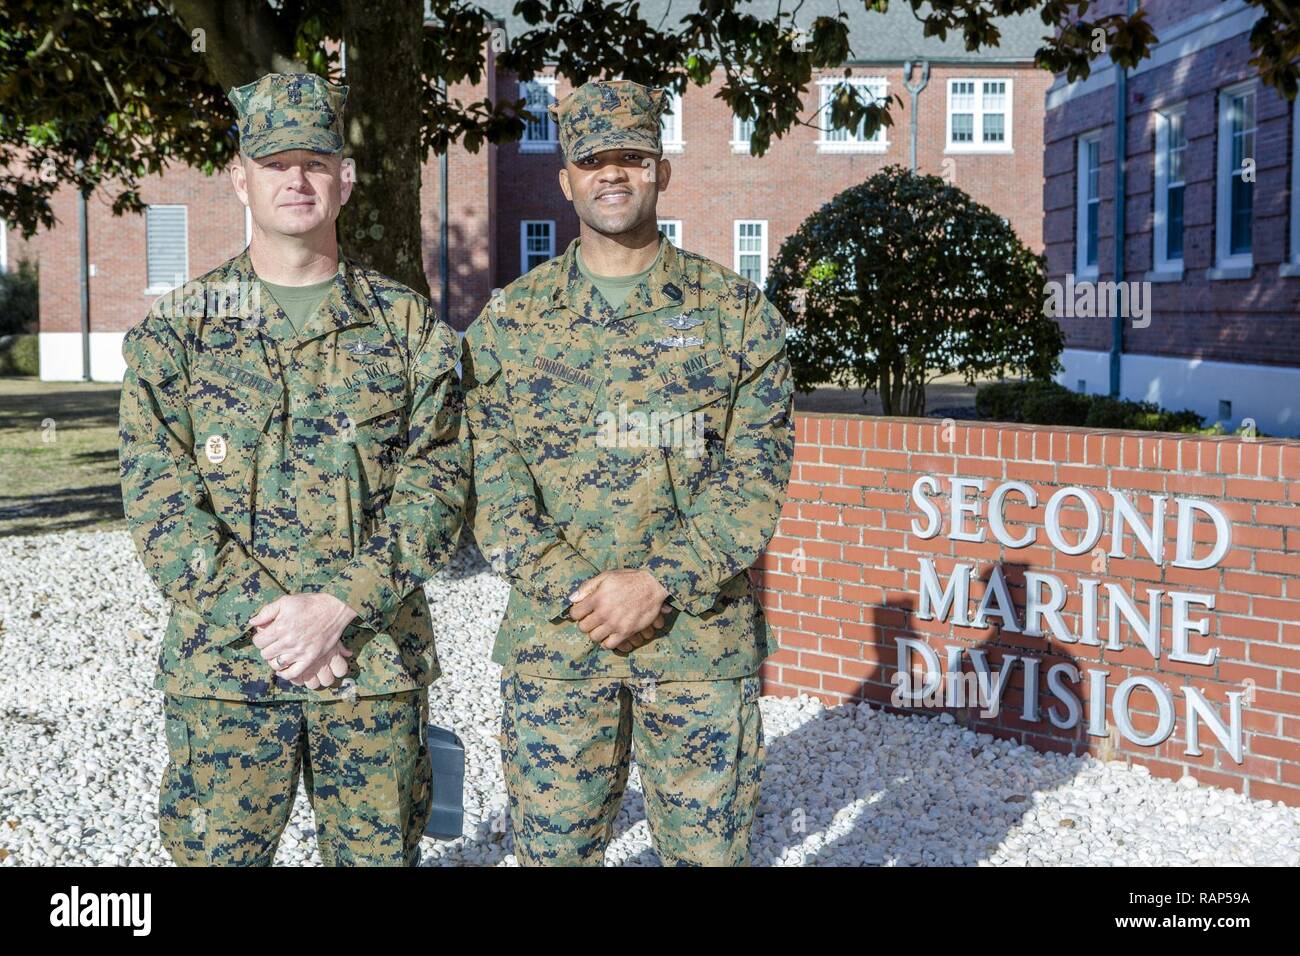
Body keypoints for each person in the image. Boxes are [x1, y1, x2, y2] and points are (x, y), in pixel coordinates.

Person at [118, 72, 469, 866]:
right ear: (241, 178)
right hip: (228, 670)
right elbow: (160, 504)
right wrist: (280, 626)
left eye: (315, 161)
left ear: (345, 179)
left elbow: (439, 484)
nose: (297, 180)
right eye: (275, 163)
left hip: (372, 662)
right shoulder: (179, 332)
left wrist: (341, 604)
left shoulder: (409, 326)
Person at [461, 79, 794, 866]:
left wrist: (657, 581)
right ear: (566, 179)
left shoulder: (736, 314)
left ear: (661, 171)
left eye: (632, 158)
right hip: (558, 648)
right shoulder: (511, 322)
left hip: (698, 646)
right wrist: (581, 590)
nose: (614, 174)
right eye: (594, 160)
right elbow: (490, 480)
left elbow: (754, 481)